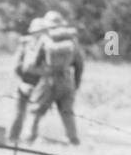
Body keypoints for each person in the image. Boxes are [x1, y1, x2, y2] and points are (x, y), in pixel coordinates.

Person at [23, 9, 85, 146]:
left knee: (35, 111)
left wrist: (43, 71)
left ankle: (28, 138)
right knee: (67, 113)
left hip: (48, 81)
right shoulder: (72, 40)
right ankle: (73, 140)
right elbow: (79, 64)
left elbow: (31, 65)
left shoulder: (44, 38)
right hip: (67, 81)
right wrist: (76, 84)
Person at [8, 17, 45, 144]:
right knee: (19, 113)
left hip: (40, 86)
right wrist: (22, 82)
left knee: (35, 115)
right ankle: (12, 138)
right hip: (23, 84)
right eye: (37, 31)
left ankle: (30, 140)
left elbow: (49, 70)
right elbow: (16, 67)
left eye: (42, 31)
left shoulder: (48, 47)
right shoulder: (25, 45)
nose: (39, 34)